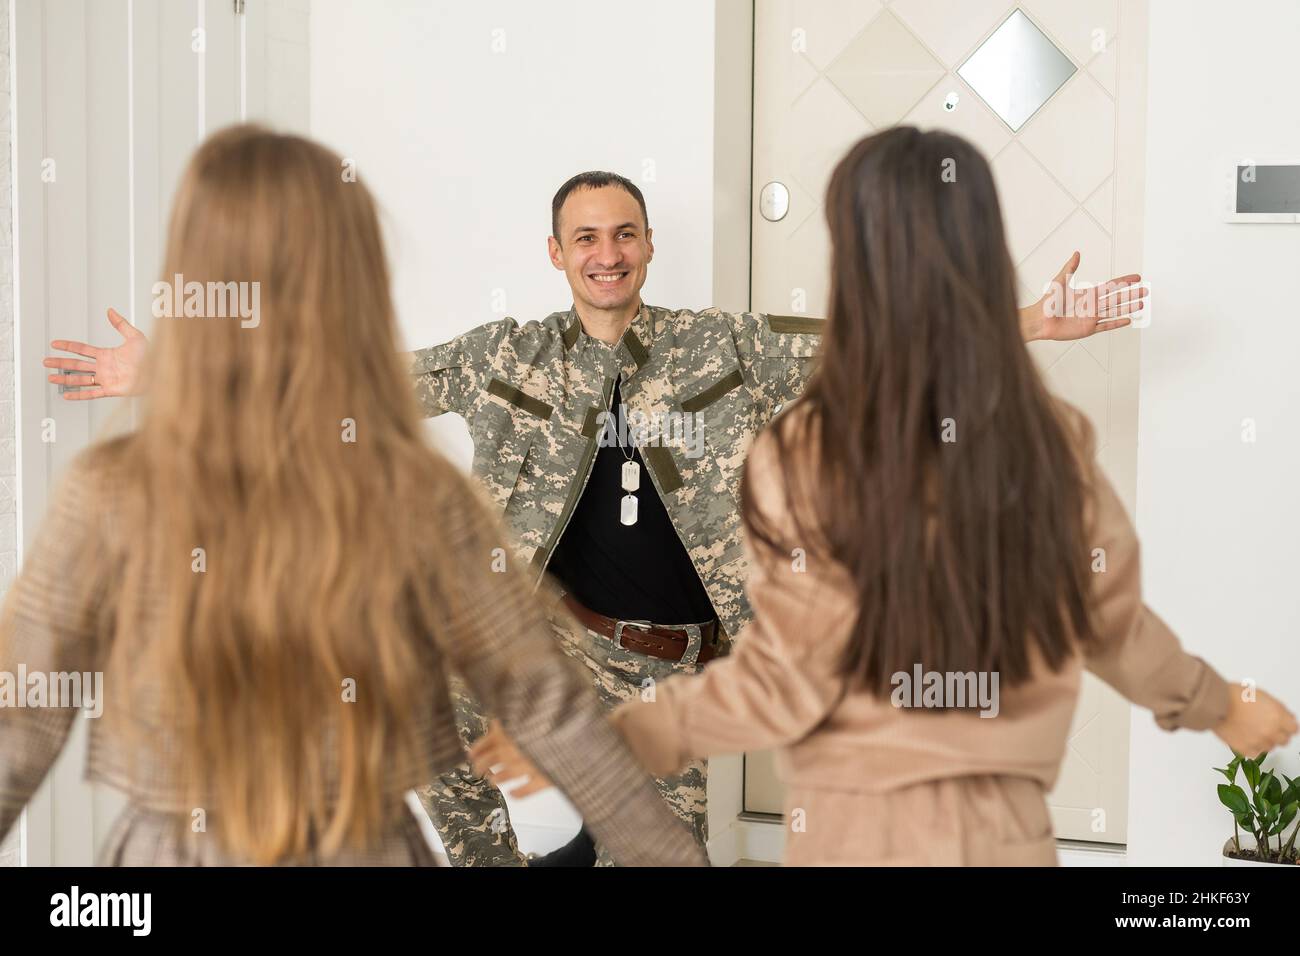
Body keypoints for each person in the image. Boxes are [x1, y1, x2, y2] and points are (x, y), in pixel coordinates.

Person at [43, 168, 1146, 866]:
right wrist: (168, 363)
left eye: (624, 233)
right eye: (585, 237)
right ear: (556, 253)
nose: (606, 252)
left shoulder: (727, 345)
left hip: (675, 667)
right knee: (480, 849)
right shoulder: (507, 353)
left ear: (649, 244)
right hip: (533, 650)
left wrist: (1037, 320)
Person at [587, 127, 1299, 865]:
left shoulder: (801, 452)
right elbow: (1110, 624)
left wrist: (618, 736)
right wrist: (1222, 705)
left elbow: (782, 683)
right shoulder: (1047, 439)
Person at [1, 125, 703, 867]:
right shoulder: (423, 493)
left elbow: (23, 722)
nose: (609, 255)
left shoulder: (110, 488)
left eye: (624, 236)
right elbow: (554, 714)